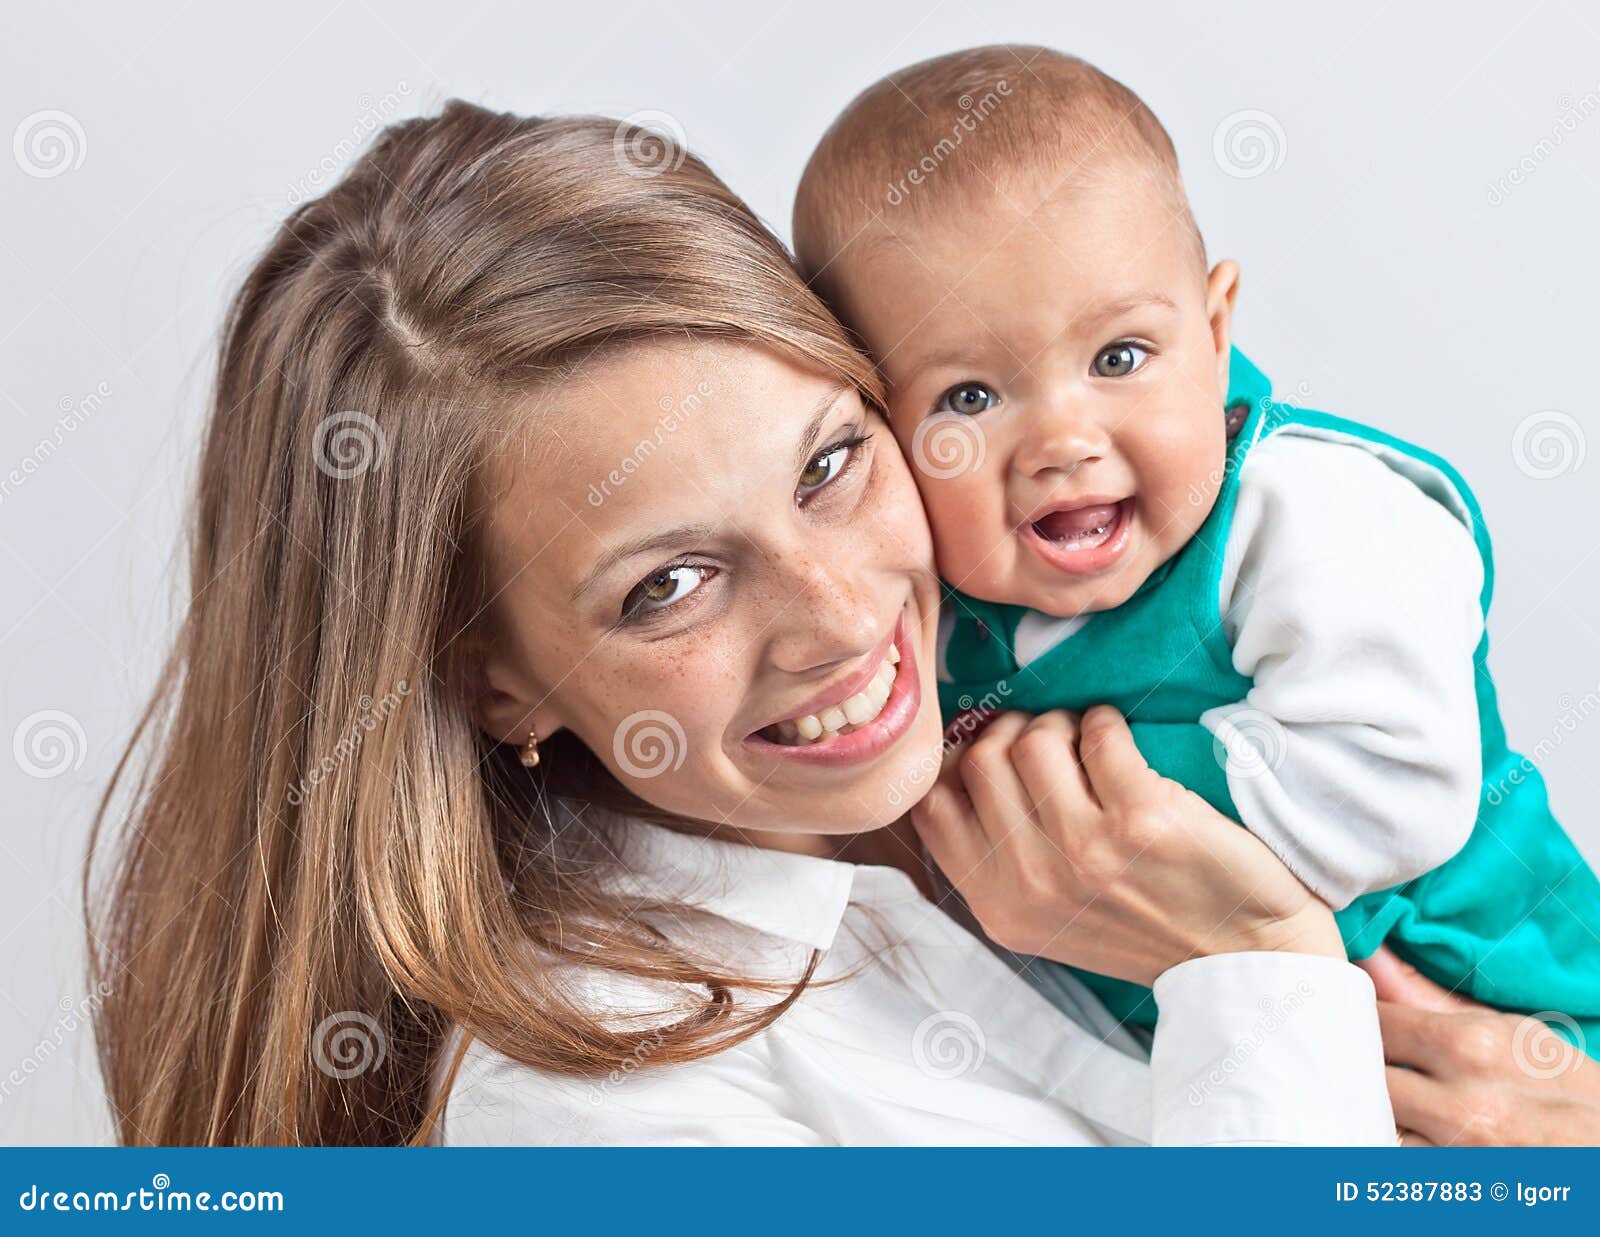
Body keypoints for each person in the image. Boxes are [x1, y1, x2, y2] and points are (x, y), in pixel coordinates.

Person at [85, 101, 1591, 1148]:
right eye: (666, 583)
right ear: (496, 684)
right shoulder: (596, 1123)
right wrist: (1256, 965)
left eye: (830, 463)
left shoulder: (1078, 666)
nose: (841, 615)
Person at [791, 44, 1600, 1049]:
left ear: (1216, 334)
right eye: (969, 397)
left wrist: (1075, 805)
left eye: (1118, 357)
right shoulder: (942, 603)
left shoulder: (1310, 510)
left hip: (1502, 1003)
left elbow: (1393, 781)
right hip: (1228, 1057)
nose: (1062, 440)